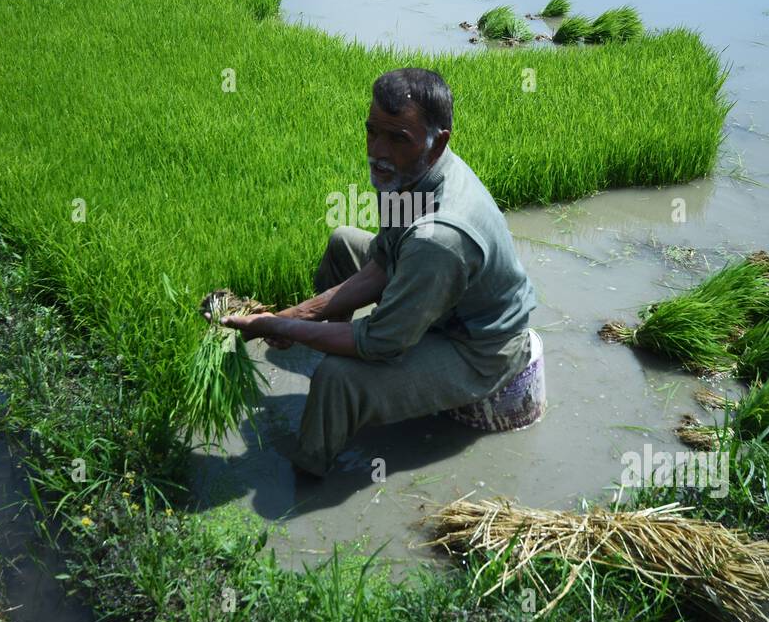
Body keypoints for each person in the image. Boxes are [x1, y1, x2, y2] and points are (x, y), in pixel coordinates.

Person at [221, 67, 537, 478]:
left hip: (477, 347)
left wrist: (279, 326)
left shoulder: (439, 237)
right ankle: (327, 353)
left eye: (396, 139)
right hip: (438, 292)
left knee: (339, 378)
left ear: (438, 142)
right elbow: (384, 264)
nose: (378, 151)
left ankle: (307, 473)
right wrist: (296, 316)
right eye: (372, 132)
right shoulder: (408, 174)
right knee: (343, 242)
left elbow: (381, 342)